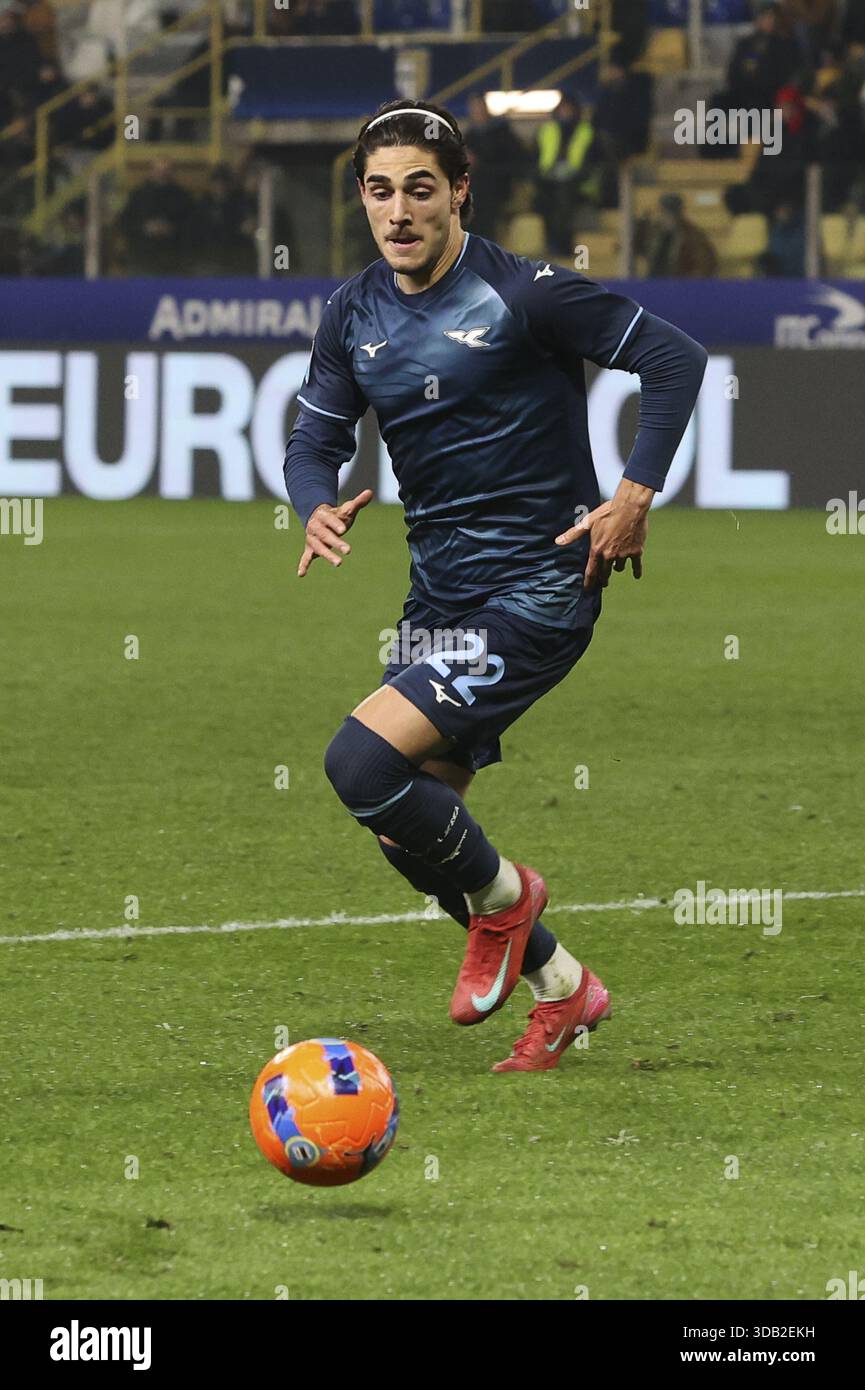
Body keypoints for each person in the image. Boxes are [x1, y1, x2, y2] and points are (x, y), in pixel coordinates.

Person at [283, 100, 708, 1073]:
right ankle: (564, 990)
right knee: (415, 834)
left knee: (356, 765)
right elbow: (315, 437)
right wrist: (312, 498)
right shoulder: (353, 313)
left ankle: (511, 902)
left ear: (460, 190)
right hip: (438, 598)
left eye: (420, 190)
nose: (399, 211)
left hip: (540, 586)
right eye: (380, 191)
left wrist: (633, 492)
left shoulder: (526, 294)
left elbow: (672, 357)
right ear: (361, 198)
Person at [536, 94, 601, 258]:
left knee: (563, 201)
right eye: (563, 109)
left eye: (569, 109)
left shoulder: (588, 132)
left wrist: (572, 174)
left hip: (579, 184)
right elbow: (536, 159)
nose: (566, 113)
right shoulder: (547, 130)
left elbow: (592, 163)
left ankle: (563, 246)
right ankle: (549, 244)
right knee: (540, 200)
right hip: (550, 182)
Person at [637, 193, 718, 277]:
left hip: (679, 285)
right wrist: (641, 226)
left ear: (679, 213)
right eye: (665, 212)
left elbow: (706, 265)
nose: (668, 217)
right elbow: (636, 248)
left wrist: (687, 283)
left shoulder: (692, 236)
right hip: (654, 283)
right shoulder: (653, 231)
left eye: (672, 212)